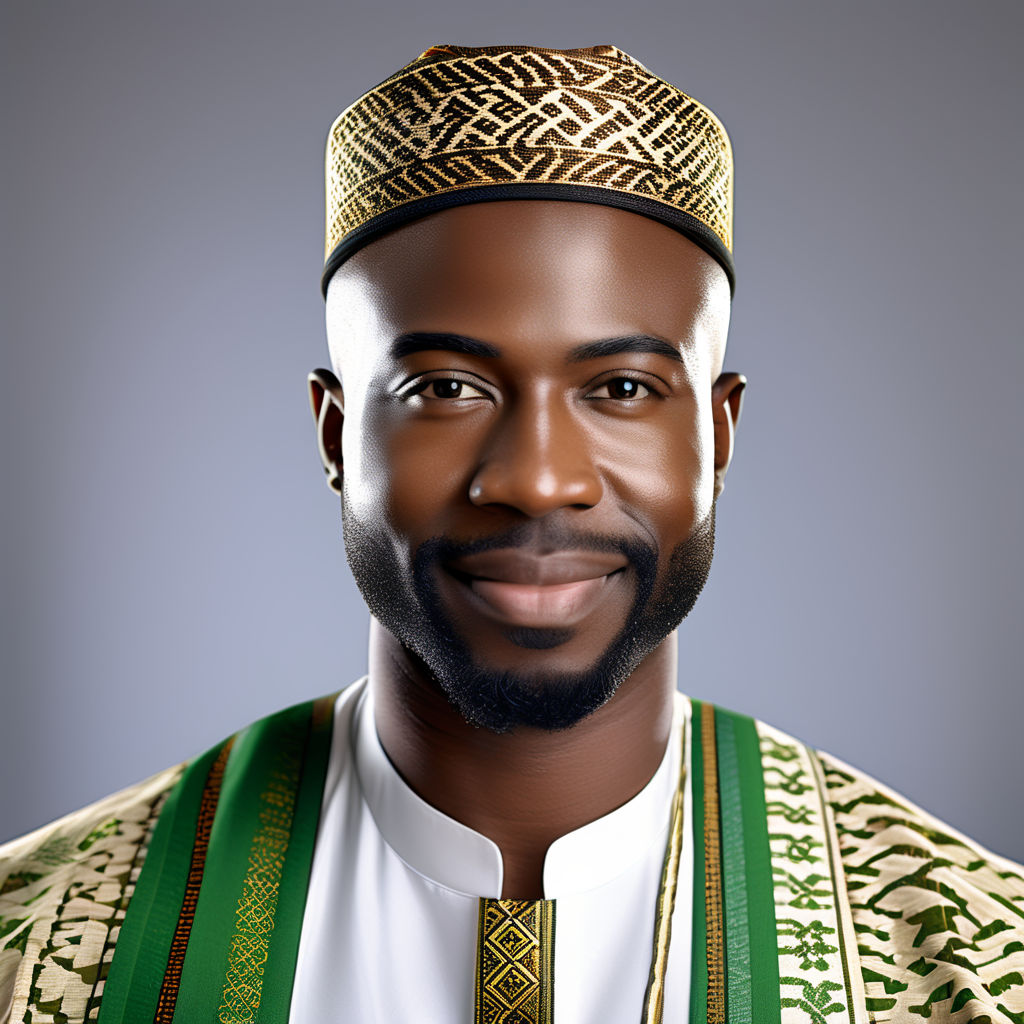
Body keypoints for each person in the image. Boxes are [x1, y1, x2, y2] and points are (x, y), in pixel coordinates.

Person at [1, 43, 1021, 1024]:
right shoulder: (32, 947)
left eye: (620, 389)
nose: (538, 479)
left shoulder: (974, 965)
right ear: (336, 430)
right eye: (446, 387)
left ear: (715, 435)